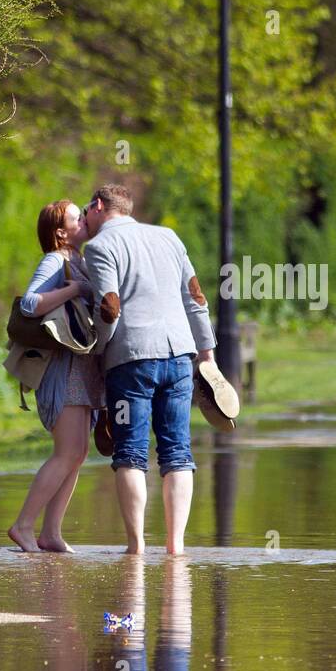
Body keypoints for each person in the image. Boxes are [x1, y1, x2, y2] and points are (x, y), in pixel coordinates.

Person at [82, 184, 214, 554]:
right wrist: (207, 353)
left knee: (130, 452)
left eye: (85, 212)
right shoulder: (168, 237)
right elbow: (196, 297)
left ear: (98, 206)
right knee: (177, 452)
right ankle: (176, 546)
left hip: (131, 361)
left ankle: (136, 545)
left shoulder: (100, 247)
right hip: (179, 357)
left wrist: (98, 352)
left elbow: (109, 308)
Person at [6, 200, 105, 553]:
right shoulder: (55, 260)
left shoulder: (78, 260)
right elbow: (30, 303)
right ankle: (23, 525)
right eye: (77, 218)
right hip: (61, 370)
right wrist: (75, 289)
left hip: (80, 369)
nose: (83, 221)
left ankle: (51, 532)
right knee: (66, 452)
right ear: (61, 232)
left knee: (77, 453)